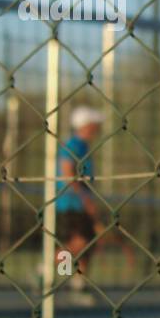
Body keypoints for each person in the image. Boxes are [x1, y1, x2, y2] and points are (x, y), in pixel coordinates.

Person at [56, 106, 103, 302]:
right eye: (95, 124)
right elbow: (67, 172)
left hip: (81, 203)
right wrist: (85, 198)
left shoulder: (84, 146)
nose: (98, 128)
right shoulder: (73, 144)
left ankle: (78, 285)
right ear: (86, 125)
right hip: (70, 204)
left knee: (88, 245)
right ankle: (48, 271)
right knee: (78, 243)